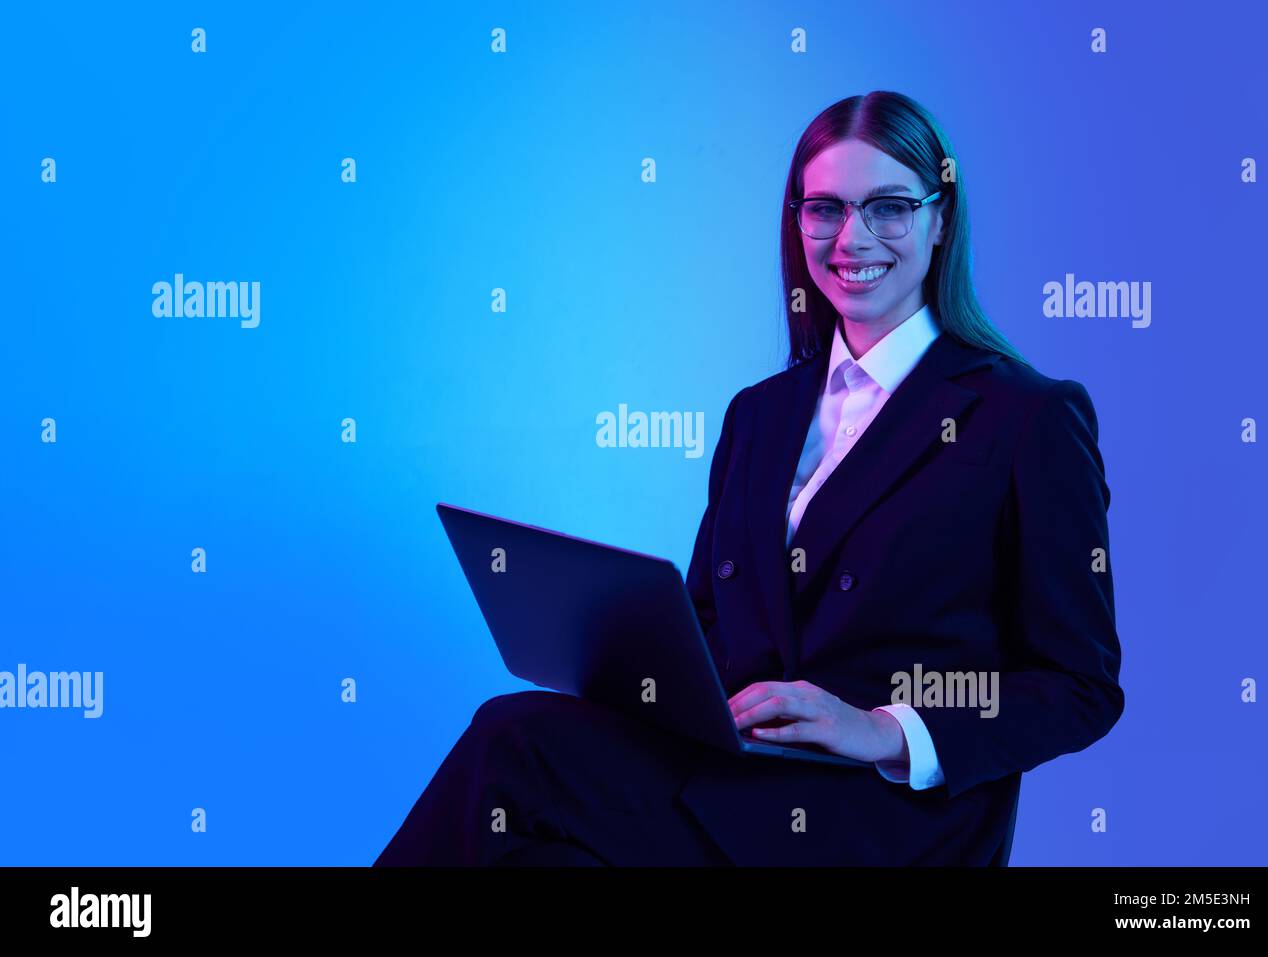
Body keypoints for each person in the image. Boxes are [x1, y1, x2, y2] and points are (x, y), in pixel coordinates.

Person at [374, 91, 1124, 867]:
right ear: (796, 222)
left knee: (513, 736)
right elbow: (708, 624)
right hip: (739, 781)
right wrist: (627, 660)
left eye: (890, 208)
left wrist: (882, 728)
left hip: (879, 819)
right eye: (824, 209)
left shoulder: (1027, 416)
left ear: (940, 221)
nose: (852, 237)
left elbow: (1080, 687)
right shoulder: (759, 415)